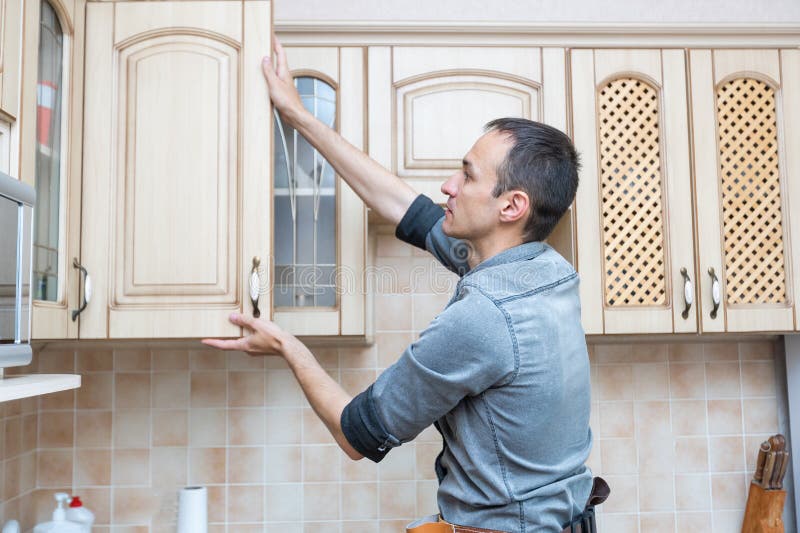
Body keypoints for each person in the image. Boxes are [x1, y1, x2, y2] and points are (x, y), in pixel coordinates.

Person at [203, 40, 600, 533]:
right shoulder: (543, 272)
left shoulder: (485, 316)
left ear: (511, 206)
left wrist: (287, 345)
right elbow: (402, 207)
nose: (448, 186)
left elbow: (355, 434)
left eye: (467, 176)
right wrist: (300, 116)